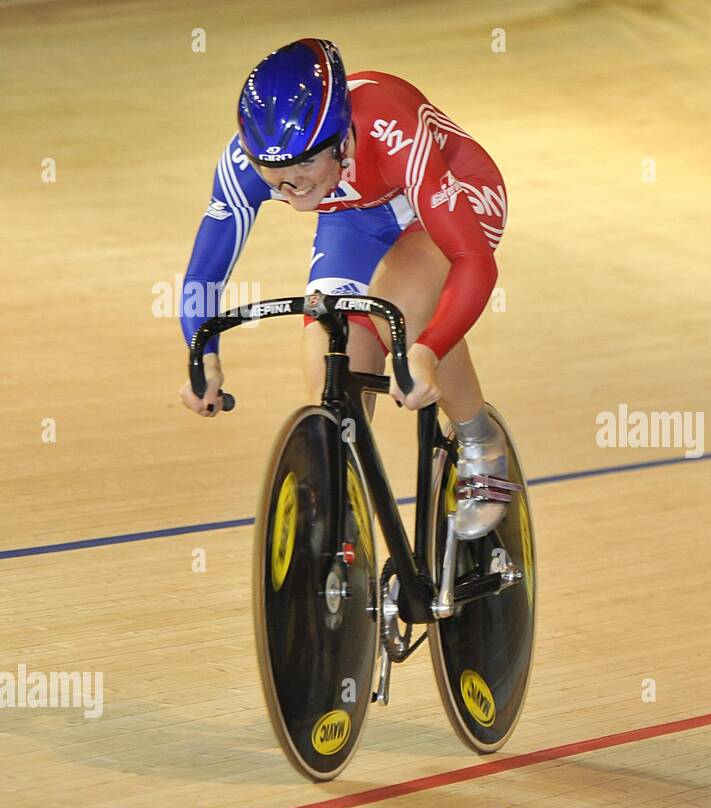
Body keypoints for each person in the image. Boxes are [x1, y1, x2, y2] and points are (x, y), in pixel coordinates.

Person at [177, 38, 509, 538]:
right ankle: (343, 512)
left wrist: (427, 350)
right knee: (331, 355)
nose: (289, 185)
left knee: (397, 309)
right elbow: (204, 274)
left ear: (340, 141)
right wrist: (203, 354)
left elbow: (473, 261)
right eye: (275, 172)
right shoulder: (249, 162)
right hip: (354, 217)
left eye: (304, 163)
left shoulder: (389, 125)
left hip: (447, 194)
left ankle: (481, 440)